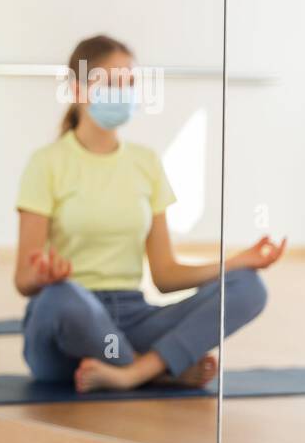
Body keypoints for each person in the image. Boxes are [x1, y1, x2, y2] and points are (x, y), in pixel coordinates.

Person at [15, 34, 279, 392]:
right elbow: (23, 279)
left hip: (133, 318)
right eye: (110, 82)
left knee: (250, 286)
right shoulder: (46, 163)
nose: (122, 91)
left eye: (129, 82)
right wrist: (47, 276)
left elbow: (165, 274)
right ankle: (163, 367)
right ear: (78, 90)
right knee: (64, 298)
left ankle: (134, 371)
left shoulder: (146, 162)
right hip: (67, 326)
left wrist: (235, 262)